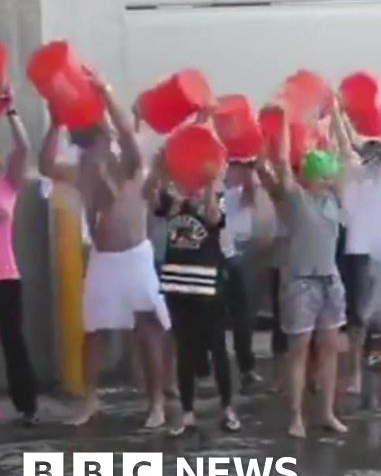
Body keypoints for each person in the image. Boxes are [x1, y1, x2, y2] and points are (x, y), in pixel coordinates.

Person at [41, 74, 171, 429]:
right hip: (103, 258)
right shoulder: (83, 168)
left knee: (148, 329)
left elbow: (128, 135)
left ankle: (156, 402)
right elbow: (45, 167)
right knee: (93, 331)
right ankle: (91, 399)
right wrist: (54, 126)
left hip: (135, 254)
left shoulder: (128, 164)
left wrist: (107, 94)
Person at [257, 100, 349, 438]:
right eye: (325, 172)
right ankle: (296, 415)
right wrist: (283, 121)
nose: (330, 176)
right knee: (298, 350)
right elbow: (280, 163)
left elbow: (345, 153)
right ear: (313, 176)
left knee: (330, 348)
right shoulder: (296, 199)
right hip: (301, 282)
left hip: (329, 279)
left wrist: (335, 113)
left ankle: (325, 412)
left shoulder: (332, 199)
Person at [145, 149, 241, 434]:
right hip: (177, 283)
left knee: (217, 348)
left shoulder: (217, 198)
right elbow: (150, 197)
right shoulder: (172, 200)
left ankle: (227, 408)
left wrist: (211, 184)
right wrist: (159, 168)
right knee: (184, 349)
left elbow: (213, 218)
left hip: (207, 283)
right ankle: (187, 412)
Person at [340, 124, 381, 398]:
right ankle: (357, 373)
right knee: (359, 317)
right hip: (361, 250)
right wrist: (336, 115)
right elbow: (346, 146)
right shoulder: (354, 177)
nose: (374, 161)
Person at [0, 82, 38, 425]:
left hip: (6, 276)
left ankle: (27, 406)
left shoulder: (7, 185)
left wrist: (11, 111)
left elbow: (25, 147)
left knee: (13, 340)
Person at [222, 159, 264, 390]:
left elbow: (253, 188)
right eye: (233, 166)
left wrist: (251, 161)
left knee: (244, 316)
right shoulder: (218, 191)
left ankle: (246, 367)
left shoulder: (239, 193)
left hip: (239, 254)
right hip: (214, 255)